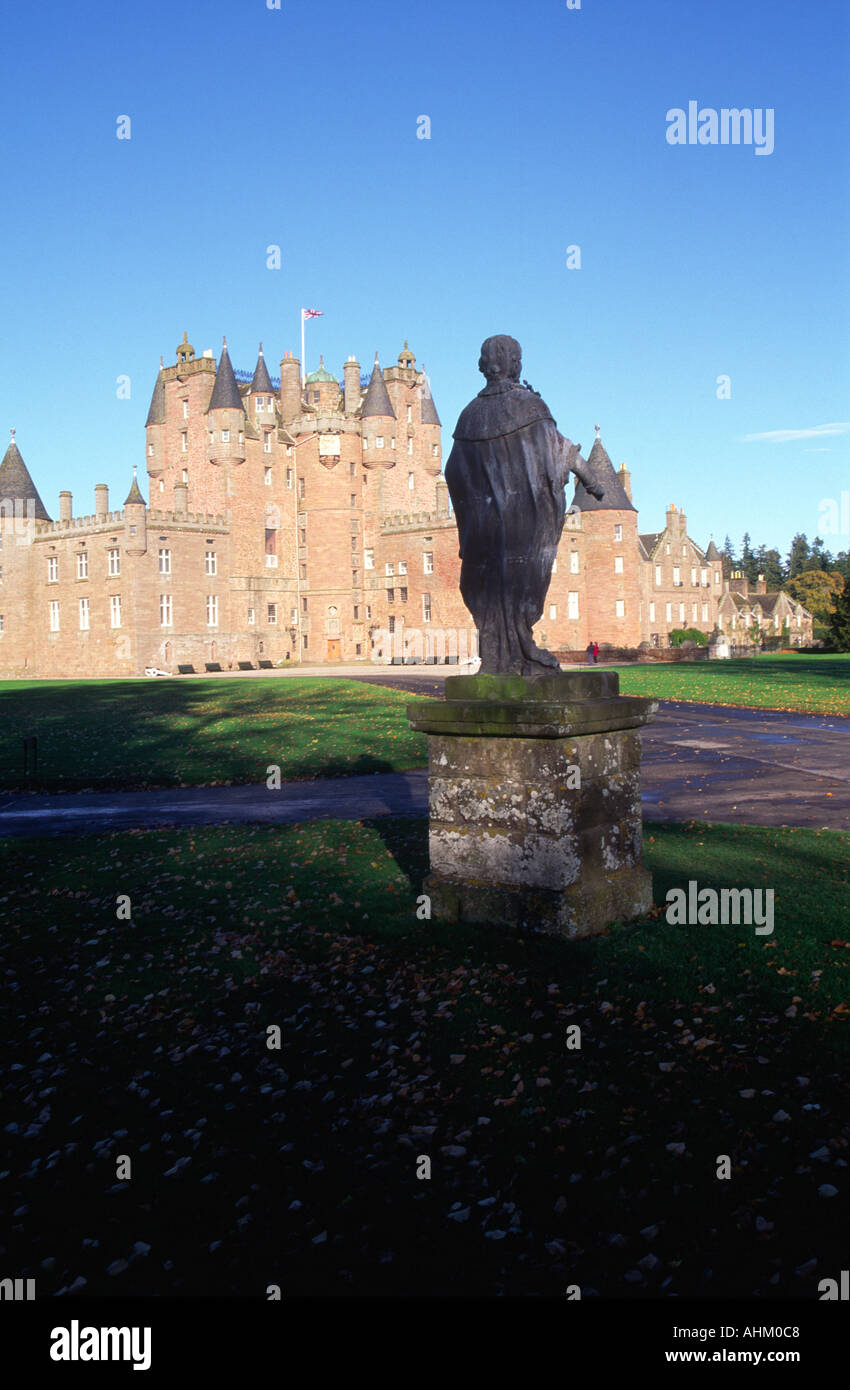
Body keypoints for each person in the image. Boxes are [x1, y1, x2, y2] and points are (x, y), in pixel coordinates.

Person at [445, 335, 604, 675]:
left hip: (484, 527)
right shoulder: (529, 406)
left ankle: (498, 657)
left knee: (488, 584)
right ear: (515, 363)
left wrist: (473, 515)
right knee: (523, 581)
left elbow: (454, 471)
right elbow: (560, 450)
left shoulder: (468, 415)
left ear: (483, 365)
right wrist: (591, 481)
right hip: (523, 522)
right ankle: (518, 651)